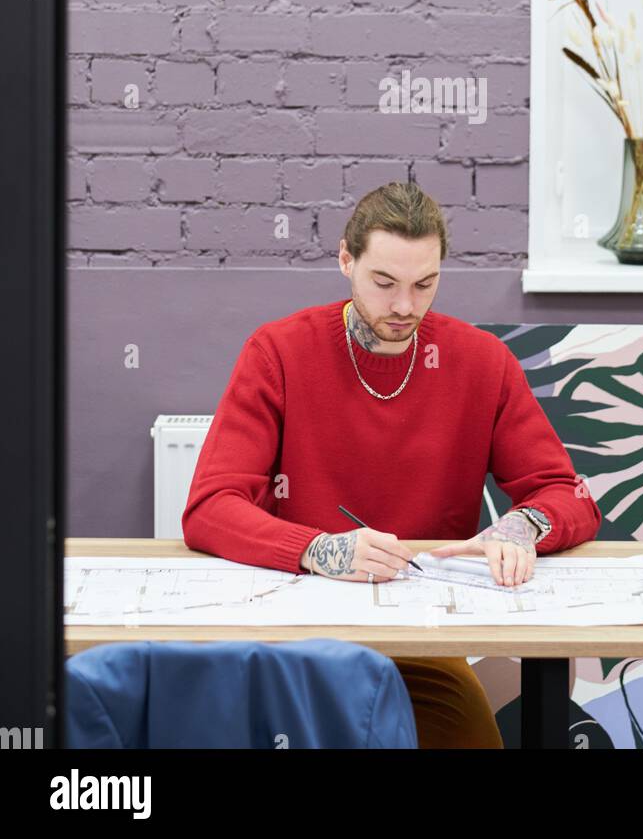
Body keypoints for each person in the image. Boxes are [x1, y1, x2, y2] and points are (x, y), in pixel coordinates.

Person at [182, 180, 602, 748]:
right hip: (294, 633)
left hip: (421, 646)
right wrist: (321, 549)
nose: (405, 307)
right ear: (345, 260)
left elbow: (565, 492)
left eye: (424, 284)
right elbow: (210, 507)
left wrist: (518, 528)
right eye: (384, 283)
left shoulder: (482, 363)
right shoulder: (279, 352)